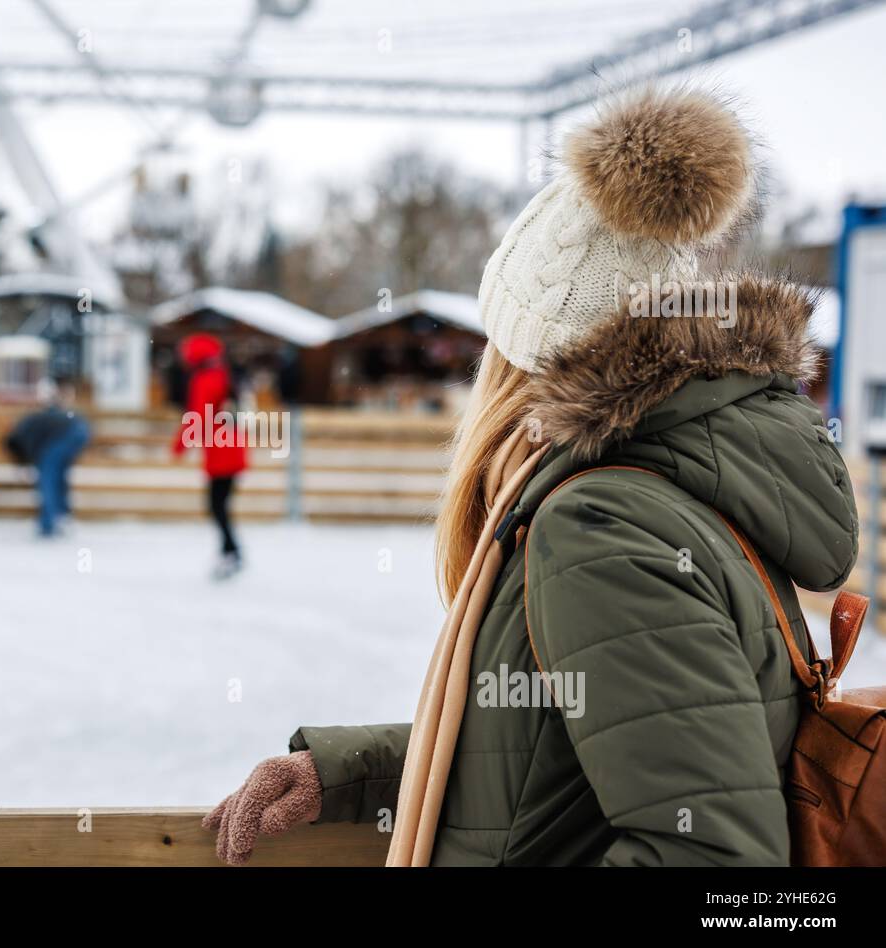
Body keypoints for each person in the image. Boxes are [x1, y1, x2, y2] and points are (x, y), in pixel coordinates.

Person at [203, 87, 859, 866]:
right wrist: (348, 774)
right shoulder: (674, 491)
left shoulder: (605, 531)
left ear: (525, 358)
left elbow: (714, 858)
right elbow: (556, 755)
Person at [172, 333, 247, 579]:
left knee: (216, 505)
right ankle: (230, 551)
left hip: (222, 451)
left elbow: (199, 417)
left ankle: (232, 552)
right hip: (229, 448)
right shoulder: (221, 373)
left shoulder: (205, 379)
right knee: (219, 505)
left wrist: (180, 445)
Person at [5, 380, 90, 537]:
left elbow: (34, 456)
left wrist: (24, 467)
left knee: (47, 479)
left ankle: (48, 523)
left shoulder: (23, 434)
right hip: (79, 428)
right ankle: (62, 515)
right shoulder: (27, 425)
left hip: (66, 432)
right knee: (57, 477)